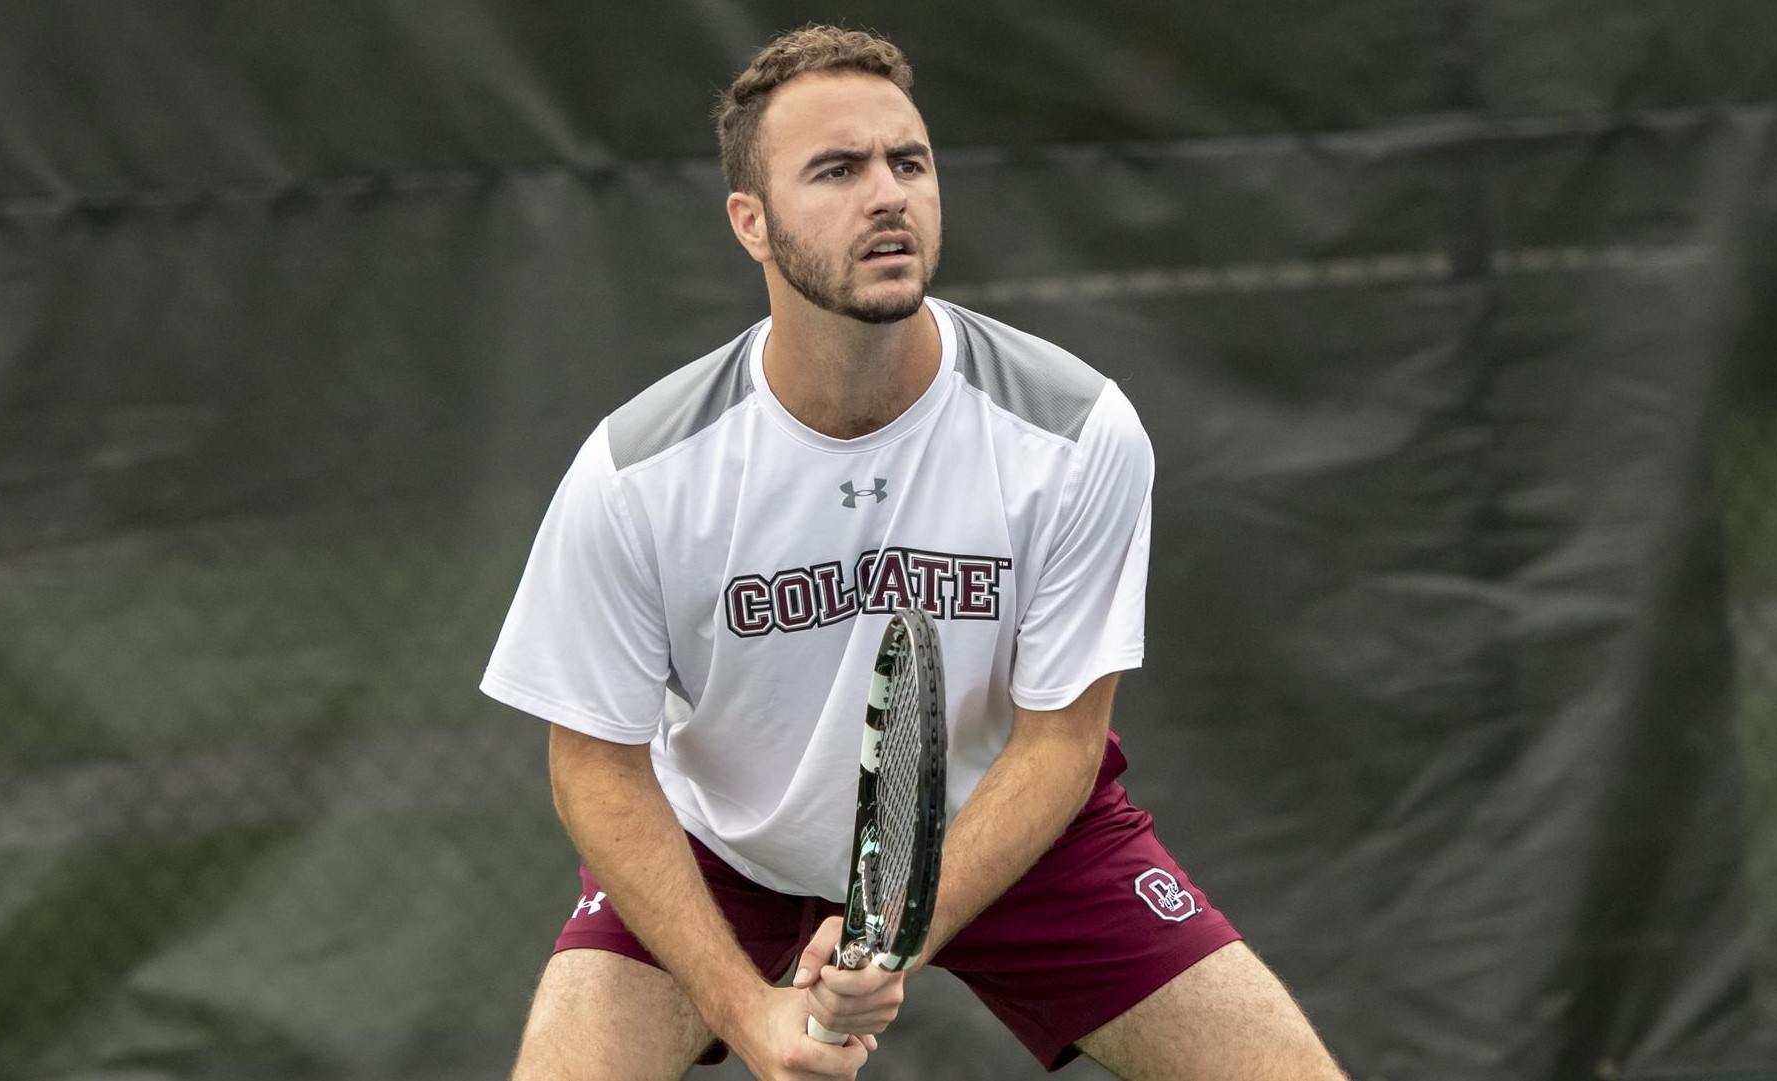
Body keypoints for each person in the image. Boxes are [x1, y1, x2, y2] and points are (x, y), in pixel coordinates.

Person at [482, 24, 1349, 1081]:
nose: (886, 194)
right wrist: (749, 1014)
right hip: (720, 854)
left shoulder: (1073, 432)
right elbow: (595, 766)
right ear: (749, 223)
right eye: (836, 170)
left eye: (908, 161)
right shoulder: (638, 471)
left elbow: (1058, 745)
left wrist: (888, 933)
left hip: (1013, 837)